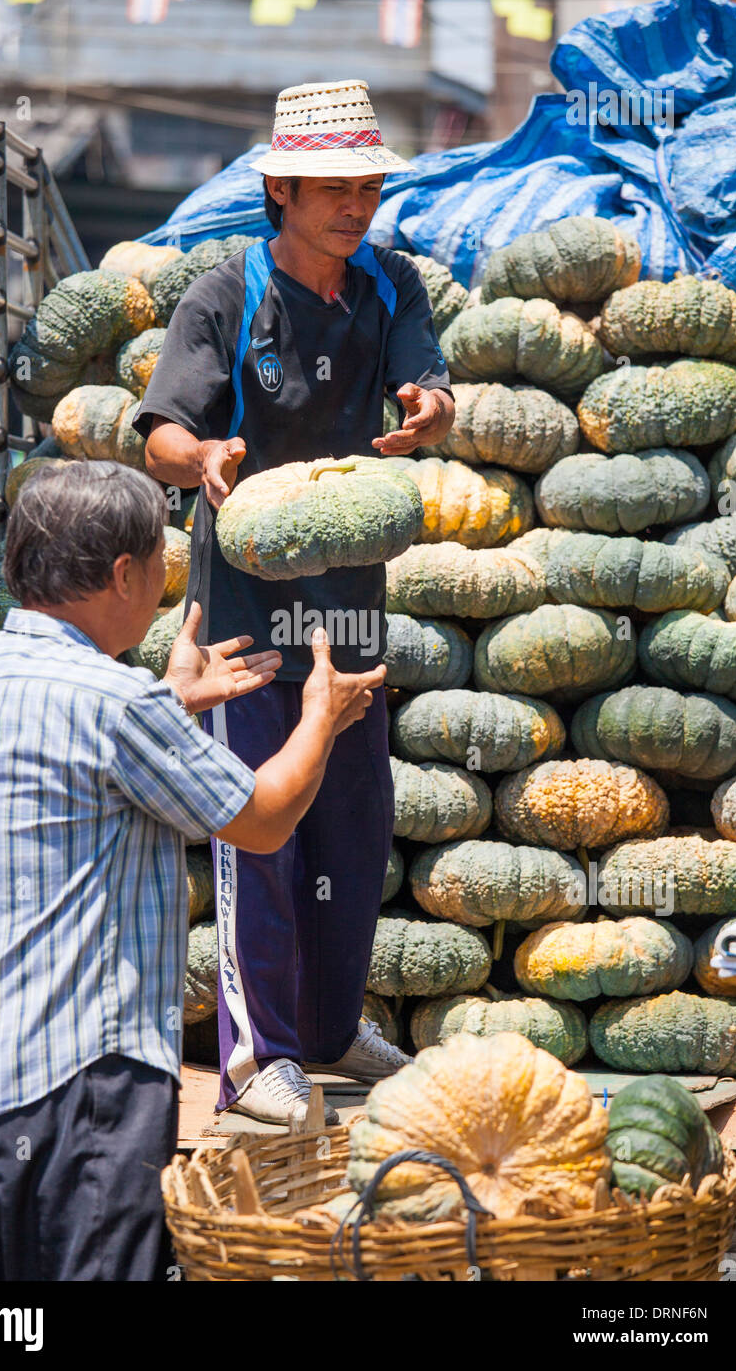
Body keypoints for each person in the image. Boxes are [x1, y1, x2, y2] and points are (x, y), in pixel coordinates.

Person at [0, 460, 386, 1281]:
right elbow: (264, 821)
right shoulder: (115, 704)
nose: (168, 581)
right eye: (160, 565)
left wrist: (173, 702)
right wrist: (321, 717)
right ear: (124, 573)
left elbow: (73, 760)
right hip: (75, 1092)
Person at [133, 78, 455, 1126]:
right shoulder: (222, 297)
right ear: (282, 188)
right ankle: (255, 1055)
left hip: (350, 608)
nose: (357, 205)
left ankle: (325, 1029)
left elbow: (430, 388)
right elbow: (159, 434)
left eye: (367, 185)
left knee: (351, 827)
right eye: (335, 187)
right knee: (255, 830)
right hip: (245, 619)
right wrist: (206, 453)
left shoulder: (389, 286)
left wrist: (426, 413)